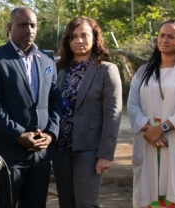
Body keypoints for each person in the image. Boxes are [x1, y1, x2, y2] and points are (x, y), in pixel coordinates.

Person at [0, 7, 60, 208]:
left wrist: (50, 134)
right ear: (10, 27)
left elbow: (55, 102)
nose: (29, 30)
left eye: (33, 25)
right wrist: (18, 135)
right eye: (23, 25)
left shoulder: (47, 60)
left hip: (40, 154)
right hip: (8, 154)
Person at [128, 19, 175, 208]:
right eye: (162, 35)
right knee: (149, 193)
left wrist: (161, 128)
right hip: (149, 139)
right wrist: (150, 130)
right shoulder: (143, 72)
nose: (165, 40)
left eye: (171, 36)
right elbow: (132, 105)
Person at [52, 17, 123, 208]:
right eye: (73, 36)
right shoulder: (59, 69)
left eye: (84, 35)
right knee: (66, 203)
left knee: (86, 203)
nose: (79, 40)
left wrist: (106, 154)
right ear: (68, 41)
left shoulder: (107, 70)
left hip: (89, 150)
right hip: (61, 148)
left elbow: (113, 115)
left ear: (94, 38)